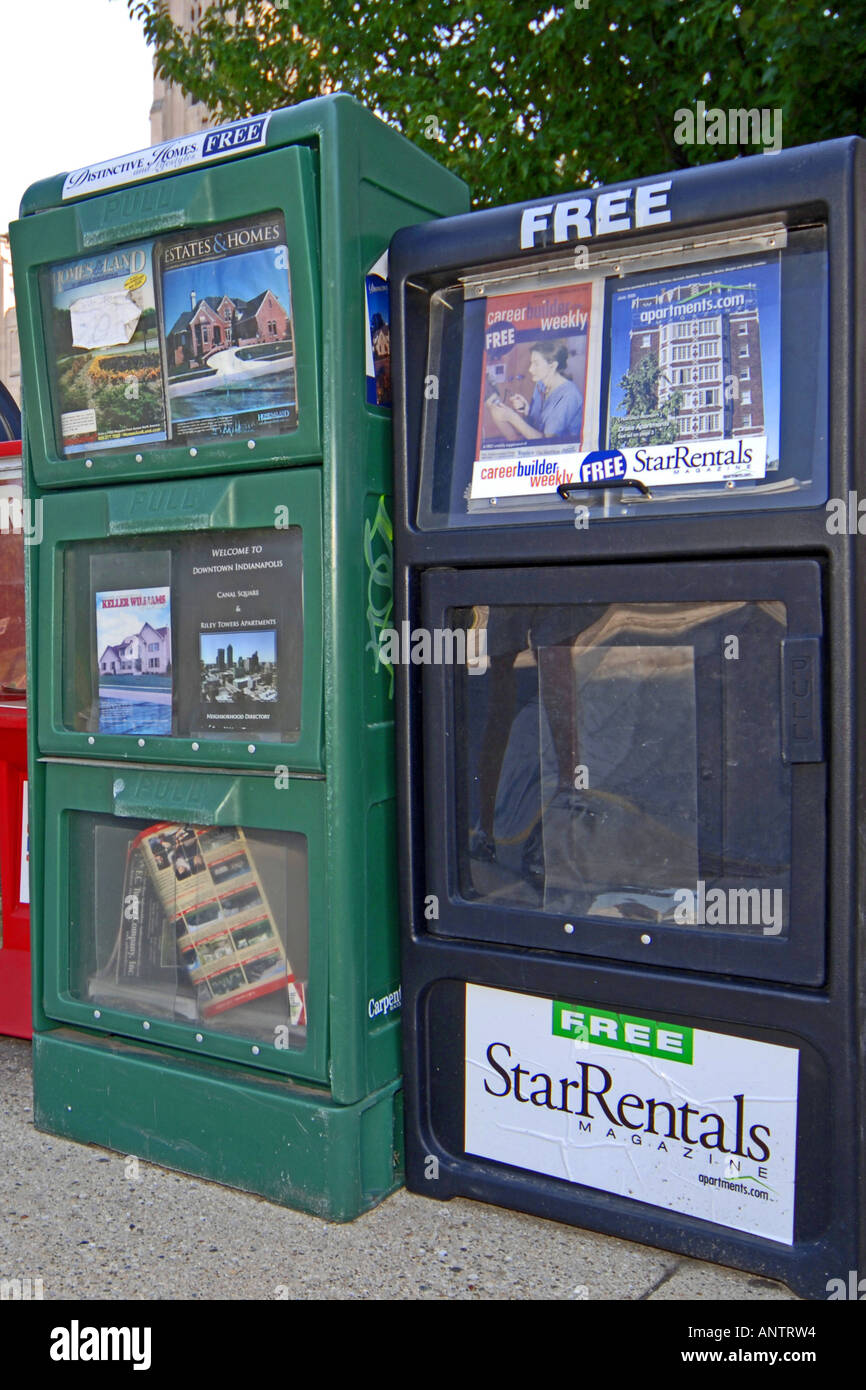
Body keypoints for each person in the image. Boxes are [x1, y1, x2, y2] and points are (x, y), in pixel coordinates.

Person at [487, 340, 583, 443]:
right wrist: (526, 410)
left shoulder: (568, 396)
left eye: (536, 364)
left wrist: (513, 418)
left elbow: (548, 445)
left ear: (553, 366)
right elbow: (536, 425)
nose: (530, 369)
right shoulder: (541, 384)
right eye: (531, 363)